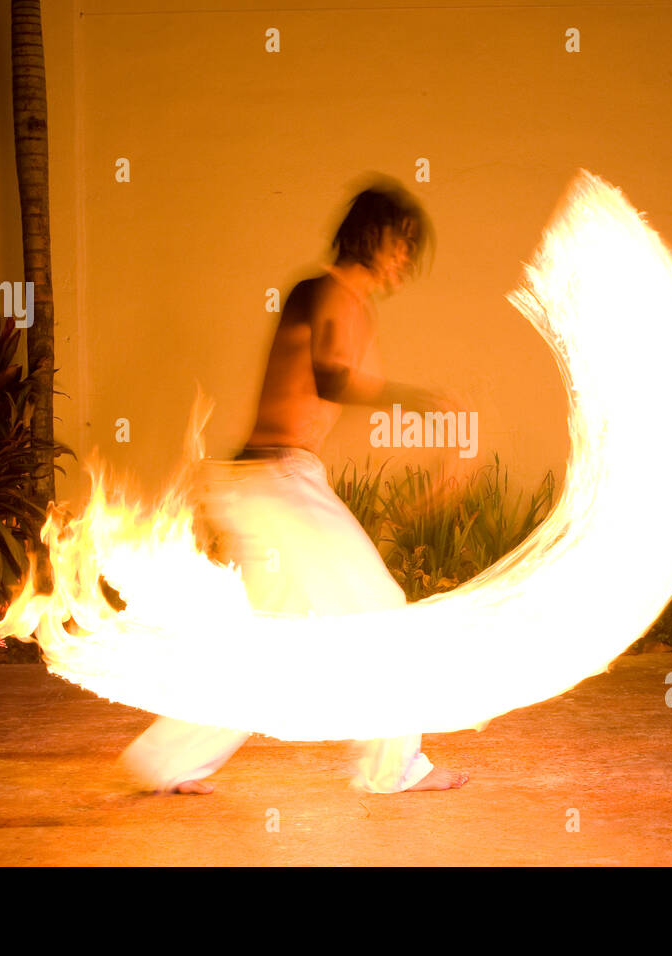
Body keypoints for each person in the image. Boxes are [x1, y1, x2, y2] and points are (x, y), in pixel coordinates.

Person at [120, 178, 469, 794]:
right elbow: (331, 379)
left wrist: (441, 456)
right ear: (369, 233)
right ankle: (395, 766)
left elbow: (334, 400)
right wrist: (421, 400)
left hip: (274, 481)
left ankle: (165, 764)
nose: (406, 257)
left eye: (413, 246)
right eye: (400, 241)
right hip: (275, 479)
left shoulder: (359, 309)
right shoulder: (322, 292)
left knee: (264, 643)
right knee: (383, 609)